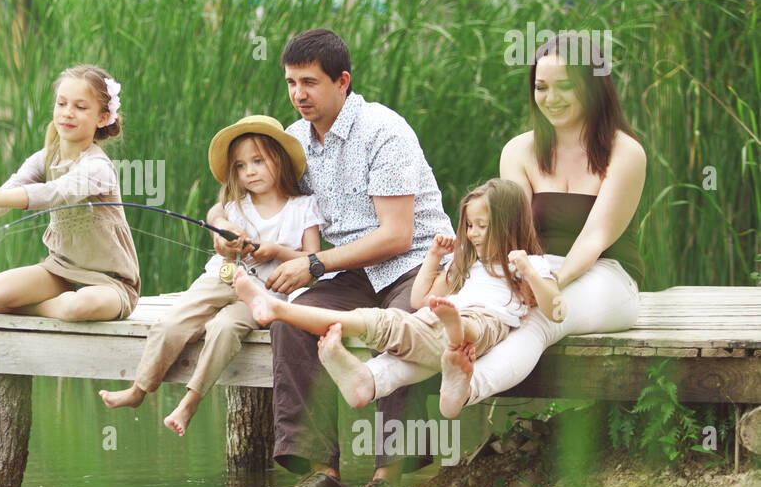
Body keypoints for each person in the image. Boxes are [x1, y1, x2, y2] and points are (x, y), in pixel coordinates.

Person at [208, 29, 454, 487]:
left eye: (310, 82)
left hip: (414, 264)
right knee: (292, 320)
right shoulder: (294, 141)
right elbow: (247, 196)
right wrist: (225, 229)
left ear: (342, 81)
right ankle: (323, 475)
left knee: (406, 325)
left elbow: (397, 236)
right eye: (291, 83)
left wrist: (314, 263)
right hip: (349, 271)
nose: (298, 94)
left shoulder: (384, 131)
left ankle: (386, 482)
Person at [364, 31, 646, 412]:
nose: (551, 97)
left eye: (565, 86)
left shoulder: (625, 152)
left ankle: (468, 386)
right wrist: (489, 277)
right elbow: (511, 234)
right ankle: (372, 377)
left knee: (538, 317)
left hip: (605, 276)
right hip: (530, 269)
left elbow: (595, 237)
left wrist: (546, 284)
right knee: (461, 312)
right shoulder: (519, 150)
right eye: (541, 87)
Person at [232, 179, 563, 419]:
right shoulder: (464, 264)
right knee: (401, 321)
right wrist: (434, 257)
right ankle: (369, 378)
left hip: (485, 323)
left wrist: (528, 271)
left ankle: (278, 308)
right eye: (470, 226)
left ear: (508, 226)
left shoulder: (528, 264)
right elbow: (420, 299)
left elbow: (554, 309)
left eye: (483, 226)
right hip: (440, 319)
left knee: (409, 323)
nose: (473, 234)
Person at [100, 116, 324, 435]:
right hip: (220, 279)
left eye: (258, 161)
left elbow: (312, 260)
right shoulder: (234, 207)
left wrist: (275, 251)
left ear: (280, 159)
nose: (249, 171)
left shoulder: (302, 206)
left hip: (261, 295)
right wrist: (227, 238)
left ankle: (190, 402)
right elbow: (217, 222)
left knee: (224, 328)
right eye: (241, 166)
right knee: (171, 323)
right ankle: (139, 389)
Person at [0, 65, 140, 321]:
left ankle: (29, 309)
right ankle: (56, 304)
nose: (67, 113)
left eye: (80, 107)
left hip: (110, 283)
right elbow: (12, 188)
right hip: (61, 271)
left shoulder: (98, 167)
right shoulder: (45, 158)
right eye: (61, 104)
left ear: (102, 118)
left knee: (80, 306)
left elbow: (53, 193)